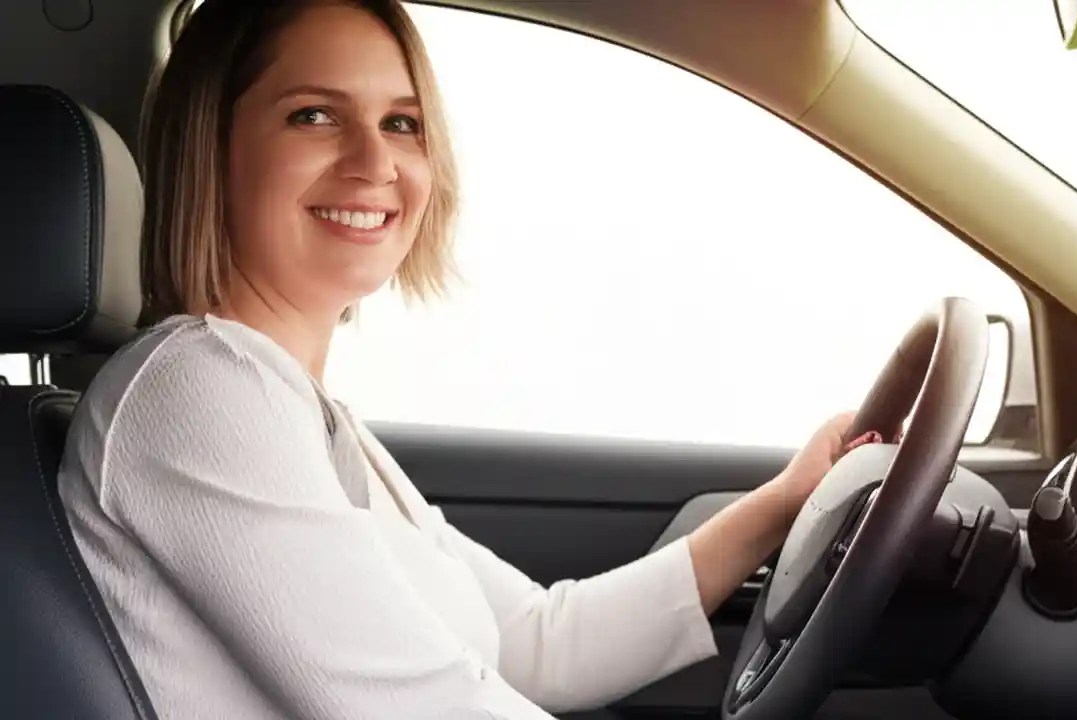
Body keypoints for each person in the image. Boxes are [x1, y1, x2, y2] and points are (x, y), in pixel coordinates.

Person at [57, 0, 870, 717]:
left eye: (402, 124)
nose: (376, 163)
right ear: (211, 148)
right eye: (315, 115)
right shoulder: (196, 389)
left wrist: (786, 501)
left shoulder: (301, 411)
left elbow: (533, 643)